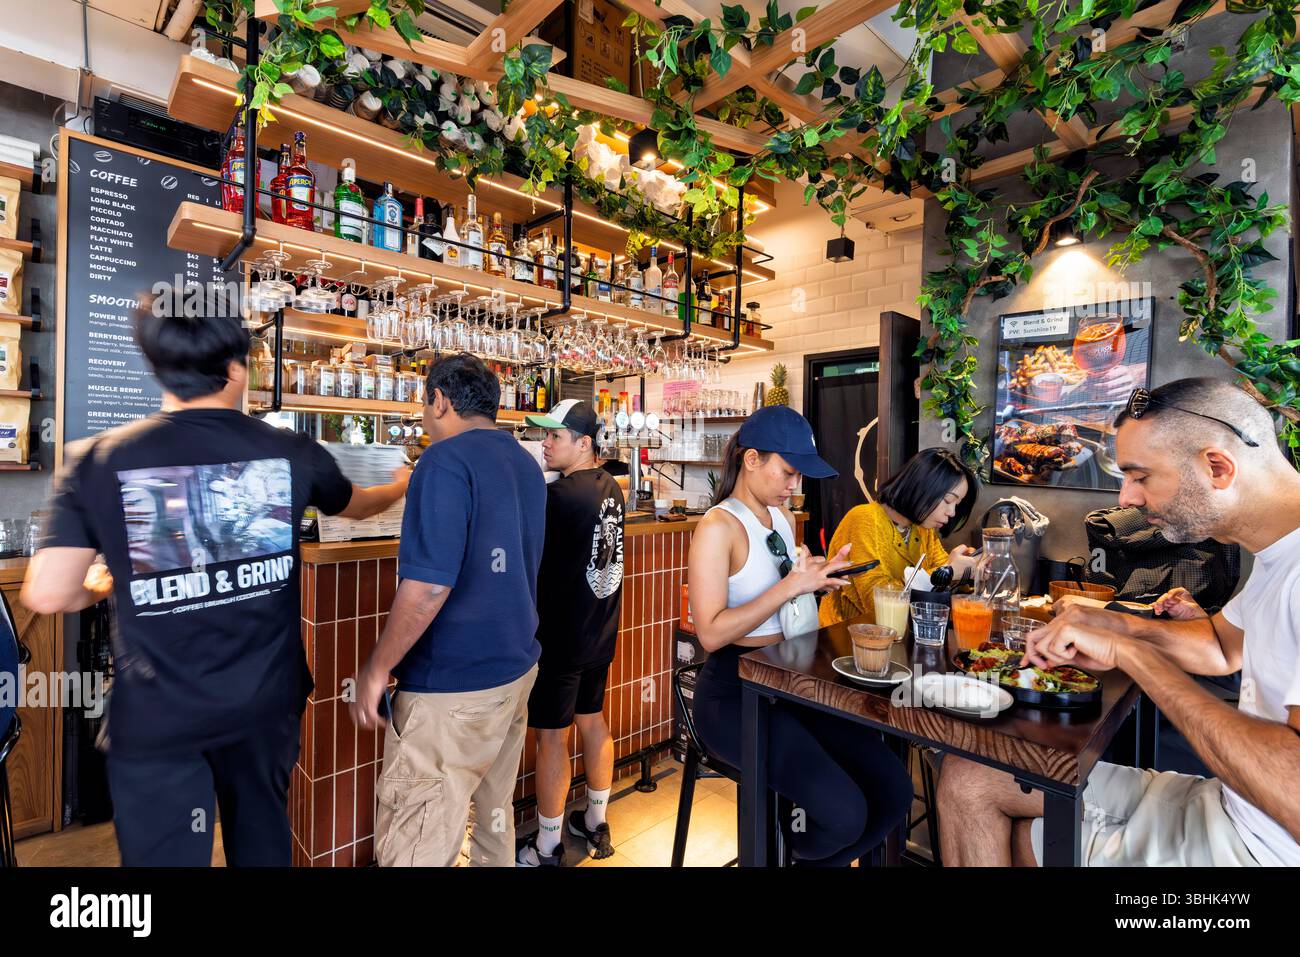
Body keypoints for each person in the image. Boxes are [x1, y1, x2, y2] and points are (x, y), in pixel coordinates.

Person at [21, 288, 409, 866]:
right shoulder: (291, 452)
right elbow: (356, 505)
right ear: (236, 366)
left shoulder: (99, 458)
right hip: (263, 705)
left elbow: (49, 592)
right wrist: (403, 481)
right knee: (261, 843)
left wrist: (99, 584)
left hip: (158, 714)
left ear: (158, 368)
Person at [938, 377, 1300, 867]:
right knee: (970, 775)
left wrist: (1135, 655)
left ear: (1217, 467)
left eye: (1140, 476)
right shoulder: (1278, 553)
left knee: (1021, 839)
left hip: (1258, 849)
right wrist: (1111, 625)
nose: (1126, 498)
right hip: (1228, 802)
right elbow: (1220, 647)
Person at [687, 405, 914, 865]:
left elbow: (784, 598)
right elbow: (710, 634)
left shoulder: (783, 520)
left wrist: (816, 576)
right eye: (788, 472)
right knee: (845, 814)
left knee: (894, 790)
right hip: (735, 692)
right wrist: (793, 584)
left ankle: (796, 859)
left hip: (790, 681)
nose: (795, 486)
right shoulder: (718, 527)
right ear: (752, 460)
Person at [351, 353, 546, 867]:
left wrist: (377, 667)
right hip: (515, 672)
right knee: (493, 820)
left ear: (439, 400)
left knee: (417, 843)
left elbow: (429, 587)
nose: (422, 416)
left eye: (423, 403)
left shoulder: (442, 461)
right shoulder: (526, 462)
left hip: (453, 688)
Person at [515, 400, 625, 866]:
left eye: (554, 436)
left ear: (583, 444)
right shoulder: (612, 488)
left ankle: (546, 847)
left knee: (552, 738)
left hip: (561, 637)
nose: (545, 443)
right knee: (593, 720)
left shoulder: (556, 498)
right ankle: (596, 821)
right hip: (600, 633)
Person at [819, 448, 980, 627]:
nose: (952, 512)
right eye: (948, 501)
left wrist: (969, 568)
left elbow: (941, 569)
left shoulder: (923, 529)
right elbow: (875, 598)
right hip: (847, 638)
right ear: (921, 486)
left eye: (957, 505)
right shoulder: (864, 519)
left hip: (898, 635)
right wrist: (947, 572)